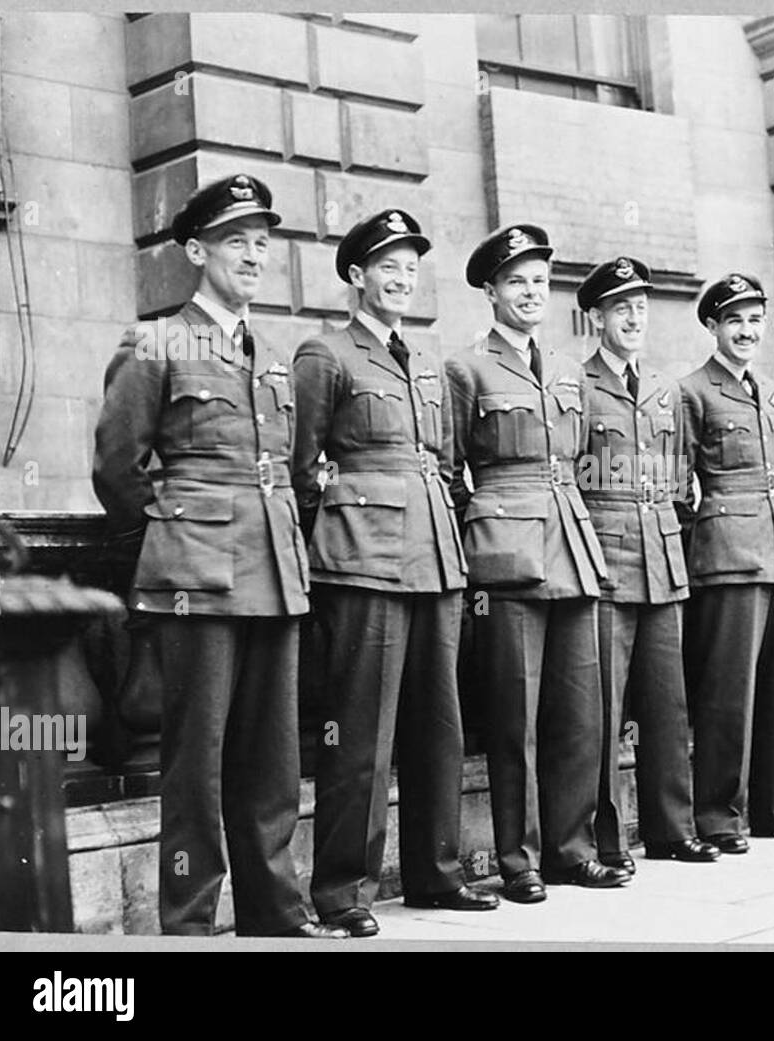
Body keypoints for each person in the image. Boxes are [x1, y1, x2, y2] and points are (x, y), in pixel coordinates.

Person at [93, 175, 345, 938]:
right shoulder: (156, 341)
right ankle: (192, 920)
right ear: (197, 250)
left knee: (272, 760)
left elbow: (295, 466)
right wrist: (175, 532)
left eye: (262, 242)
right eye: (236, 240)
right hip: (193, 579)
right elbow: (117, 465)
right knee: (194, 763)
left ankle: (275, 911)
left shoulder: (272, 350)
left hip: (273, 570)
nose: (253, 255)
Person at [292, 211, 499, 936]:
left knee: (438, 727)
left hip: (435, 556)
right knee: (359, 734)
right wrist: (347, 522)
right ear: (356, 275)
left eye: (411, 265)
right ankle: (344, 890)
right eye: (388, 265)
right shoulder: (327, 354)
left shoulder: (428, 362)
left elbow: (443, 462)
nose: (402, 277)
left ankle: (435, 876)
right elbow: (300, 470)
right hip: (364, 562)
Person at [444, 224, 629, 902]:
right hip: (507, 552)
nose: (530, 292)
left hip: (572, 543)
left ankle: (570, 849)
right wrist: (489, 518)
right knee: (514, 715)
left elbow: (575, 458)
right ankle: (517, 857)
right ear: (491, 291)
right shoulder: (466, 369)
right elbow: (445, 464)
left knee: (578, 709)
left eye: (539, 281)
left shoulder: (565, 371)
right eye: (517, 280)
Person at [576, 257, 719, 868]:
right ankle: (607, 839)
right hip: (607, 557)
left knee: (669, 702)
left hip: (663, 554)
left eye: (641, 308)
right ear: (596, 318)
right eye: (620, 308)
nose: (633, 318)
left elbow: (681, 473)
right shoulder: (575, 385)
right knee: (604, 708)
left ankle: (671, 828)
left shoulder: (666, 390)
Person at [679, 273, 774, 852]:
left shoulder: (770, 393)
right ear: (713, 327)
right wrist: (701, 548)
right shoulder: (692, 391)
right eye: (734, 320)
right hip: (728, 553)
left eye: (753, 320)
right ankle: (718, 815)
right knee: (728, 691)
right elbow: (676, 483)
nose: (746, 330)